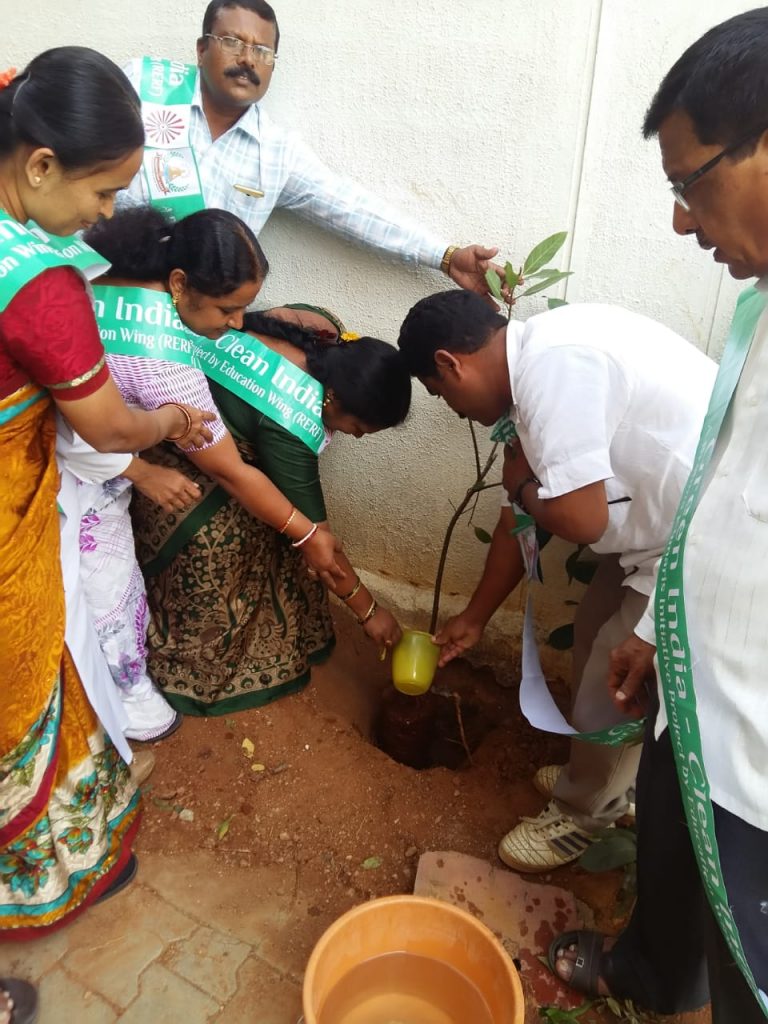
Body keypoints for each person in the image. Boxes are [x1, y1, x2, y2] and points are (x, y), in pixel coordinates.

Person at [547, 10, 768, 1020]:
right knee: (674, 863)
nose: (682, 219)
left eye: (691, 183)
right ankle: (641, 973)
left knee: (746, 957)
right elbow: (722, 492)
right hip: (697, 692)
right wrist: (653, 626)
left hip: (760, 752)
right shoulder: (758, 305)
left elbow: (585, 517)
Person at [0, 49, 214, 938]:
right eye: (104, 191)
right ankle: (35, 870)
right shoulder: (42, 286)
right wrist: (166, 423)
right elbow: (110, 429)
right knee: (28, 671)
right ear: (41, 165)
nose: (110, 214)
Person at [397, 289, 715, 871]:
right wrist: (474, 619)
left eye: (440, 393)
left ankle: (584, 815)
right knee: (594, 630)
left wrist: (522, 488)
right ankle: (598, 775)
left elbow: (578, 518)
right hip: (657, 532)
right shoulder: (537, 368)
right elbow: (516, 522)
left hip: (697, 545)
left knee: (611, 679)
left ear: (449, 362)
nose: (452, 408)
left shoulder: (555, 375)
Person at [60, 204, 282, 741]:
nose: (237, 325)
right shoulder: (162, 359)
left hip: (82, 458)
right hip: (75, 483)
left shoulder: (106, 278)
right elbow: (228, 471)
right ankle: (125, 704)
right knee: (107, 592)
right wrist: (306, 532)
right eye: (228, 309)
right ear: (179, 283)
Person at [130, 305, 410, 715]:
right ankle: (194, 661)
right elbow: (321, 542)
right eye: (358, 428)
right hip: (172, 442)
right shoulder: (292, 424)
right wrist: (369, 611)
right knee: (243, 539)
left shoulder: (321, 328)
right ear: (333, 399)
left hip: (182, 409)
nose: (357, 437)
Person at [120, 0, 503, 295]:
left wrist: (444, 255)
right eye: (233, 42)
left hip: (190, 322)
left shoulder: (275, 153)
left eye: (263, 52)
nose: (247, 59)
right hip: (104, 292)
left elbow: (349, 207)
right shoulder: (142, 88)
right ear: (202, 49)